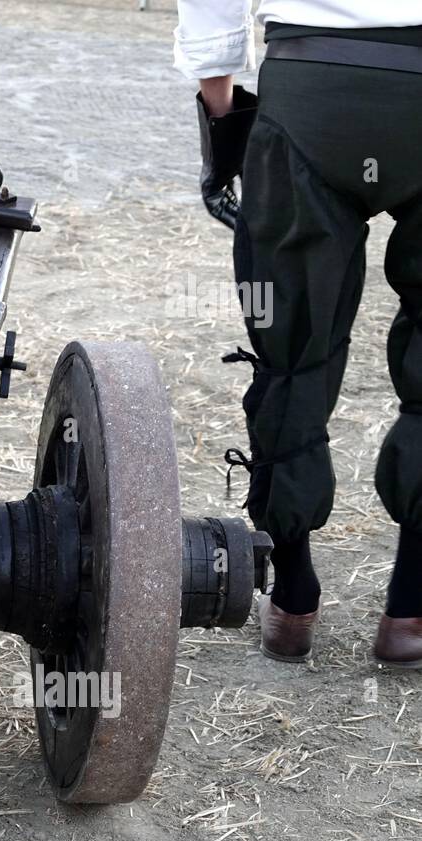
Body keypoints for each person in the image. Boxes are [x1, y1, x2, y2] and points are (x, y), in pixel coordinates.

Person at [175, 2, 422, 666]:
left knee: (290, 356)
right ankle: (411, 608)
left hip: (310, 86)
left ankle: (293, 594)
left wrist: (222, 119)